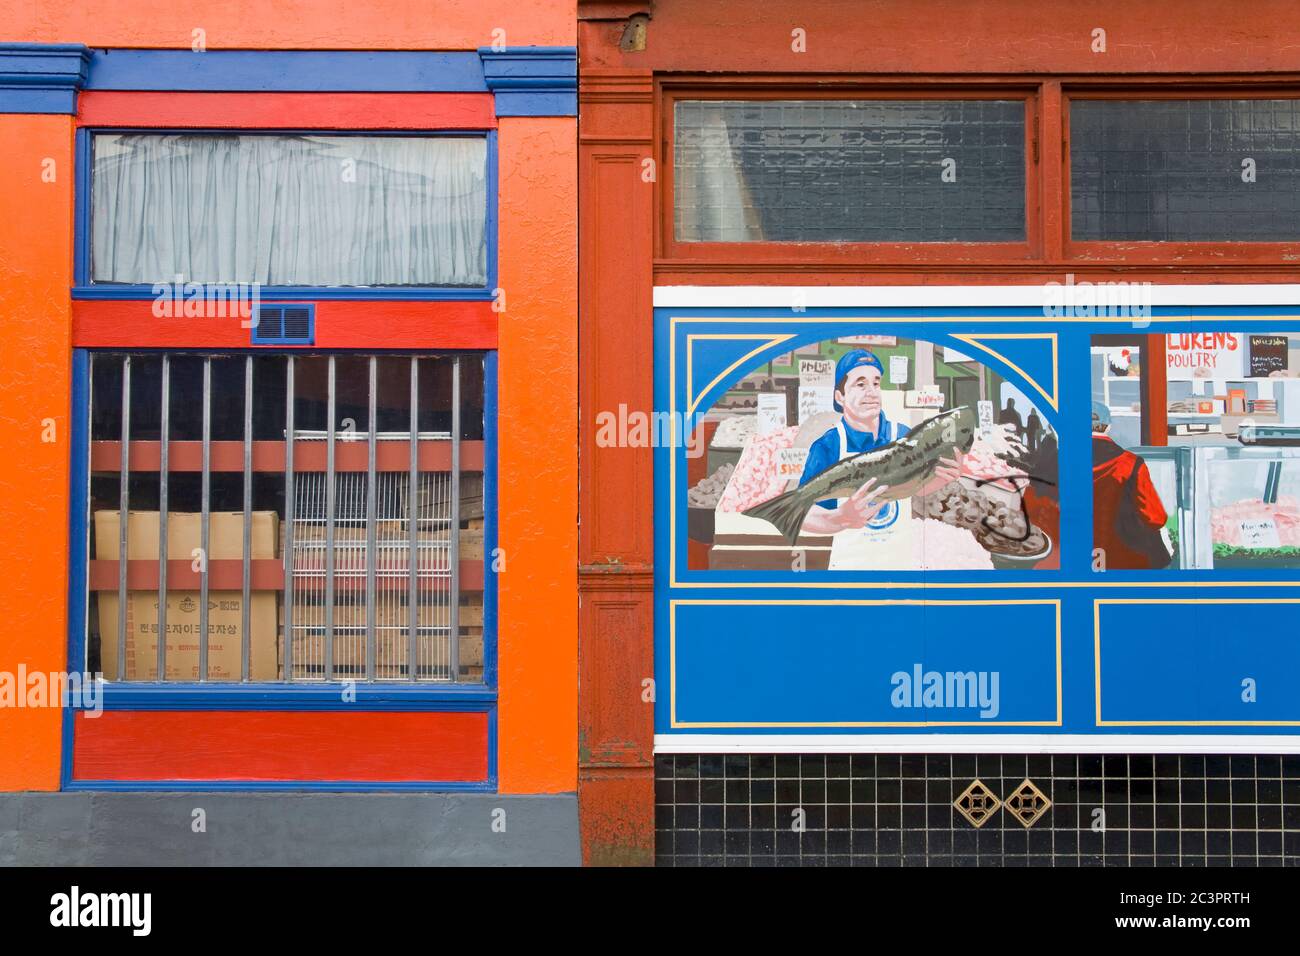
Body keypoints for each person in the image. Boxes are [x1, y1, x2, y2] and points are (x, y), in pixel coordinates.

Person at [796, 349, 961, 535]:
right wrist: (840, 517)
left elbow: (917, 489)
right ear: (839, 397)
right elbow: (801, 513)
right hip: (848, 560)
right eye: (860, 384)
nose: (872, 392)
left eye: (876, 383)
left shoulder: (902, 435)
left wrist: (941, 477)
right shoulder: (828, 446)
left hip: (897, 558)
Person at [1091, 401, 1171, 570]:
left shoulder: (1062, 461)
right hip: (1127, 558)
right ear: (1108, 427)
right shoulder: (1130, 462)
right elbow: (1155, 517)